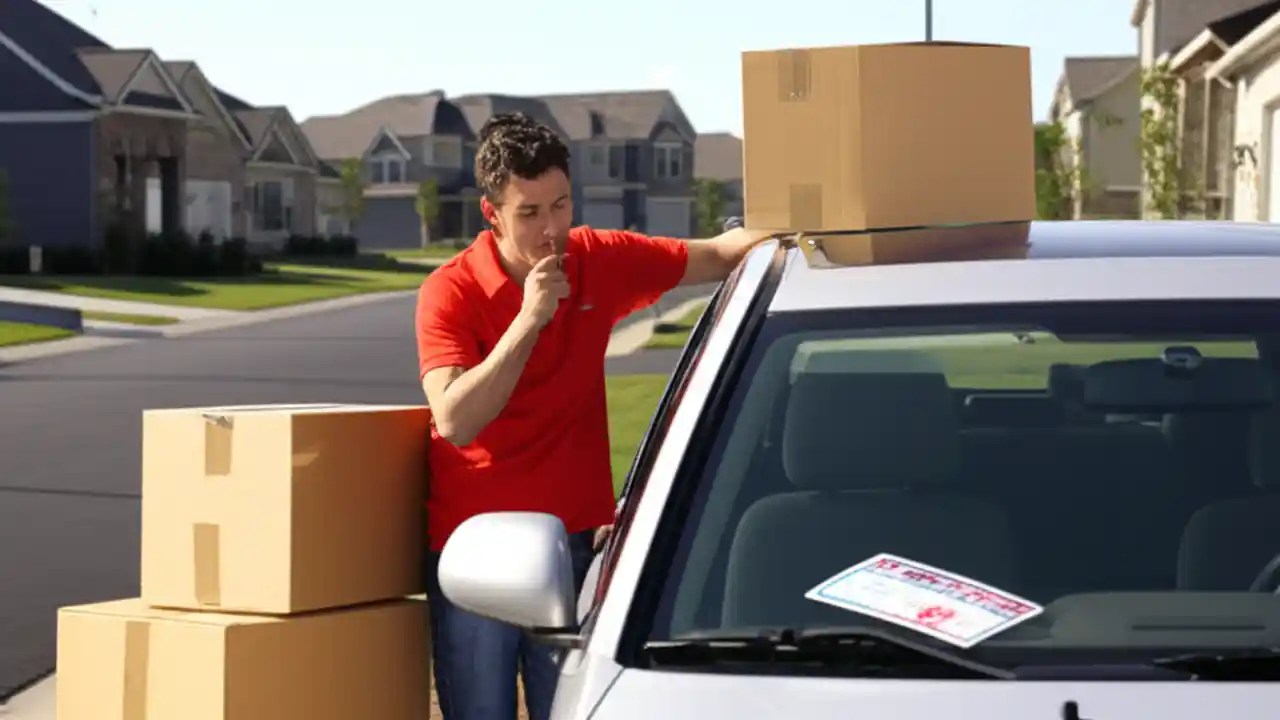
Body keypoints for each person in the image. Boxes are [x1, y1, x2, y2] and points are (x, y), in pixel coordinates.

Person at [414, 111, 772, 720]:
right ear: (491, 214)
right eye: (529, 214)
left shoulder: (597, 258)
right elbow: (454, 419)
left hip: (571, 548)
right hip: (477, 553)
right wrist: (529, 320)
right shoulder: (450, 292)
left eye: (561, 205)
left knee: (577, 712)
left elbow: (715, 255)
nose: (552, 229)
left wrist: (805, 231)